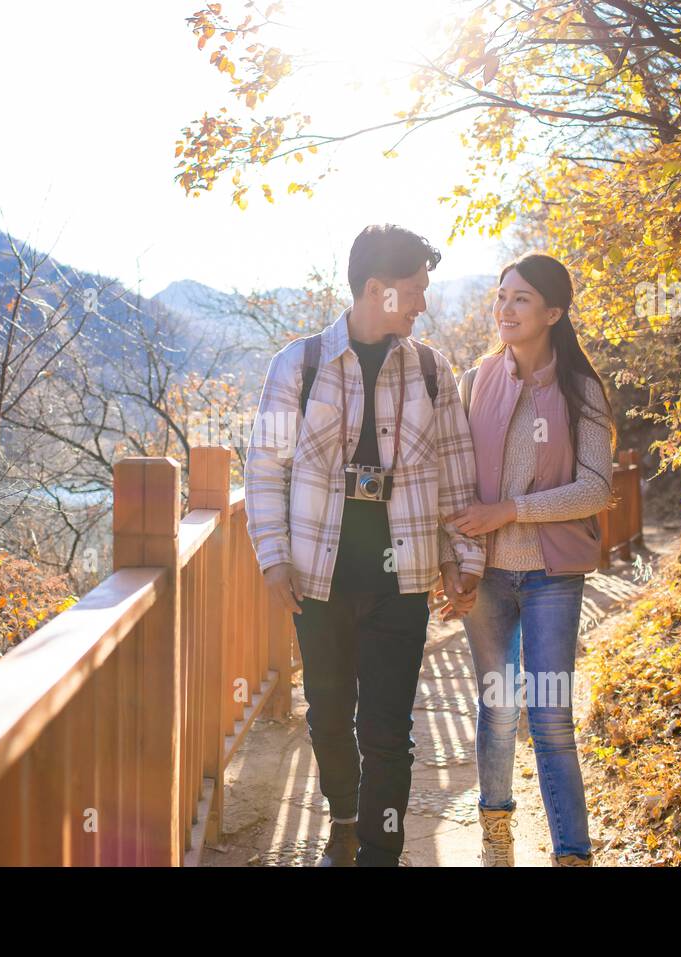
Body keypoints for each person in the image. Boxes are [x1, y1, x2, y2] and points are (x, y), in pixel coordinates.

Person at [244, 224, 484, 866]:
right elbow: (266, 469)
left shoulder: (433, 371)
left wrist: (466, 560)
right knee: (327, 713)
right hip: (316, 578)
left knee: (386, 732)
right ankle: (344, 819)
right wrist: (272, 556)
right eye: (414, 291)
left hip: (400, 580)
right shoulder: (297, 366)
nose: (422, 304)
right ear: (376, 290)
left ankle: (381, 851)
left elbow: (459, 476)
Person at [441, 252, 616, 866]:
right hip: (486, 576)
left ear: (553, 312)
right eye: (500, 296)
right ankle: (496, 833)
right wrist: (456, 563)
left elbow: (597, 487)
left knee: (550, 715)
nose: (504, 309)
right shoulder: (474, 381)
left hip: (552, 576)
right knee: (498, 705)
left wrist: (510, 510)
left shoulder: (579, 388)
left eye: (520, 299)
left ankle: (572, 853)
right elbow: (453, 487)